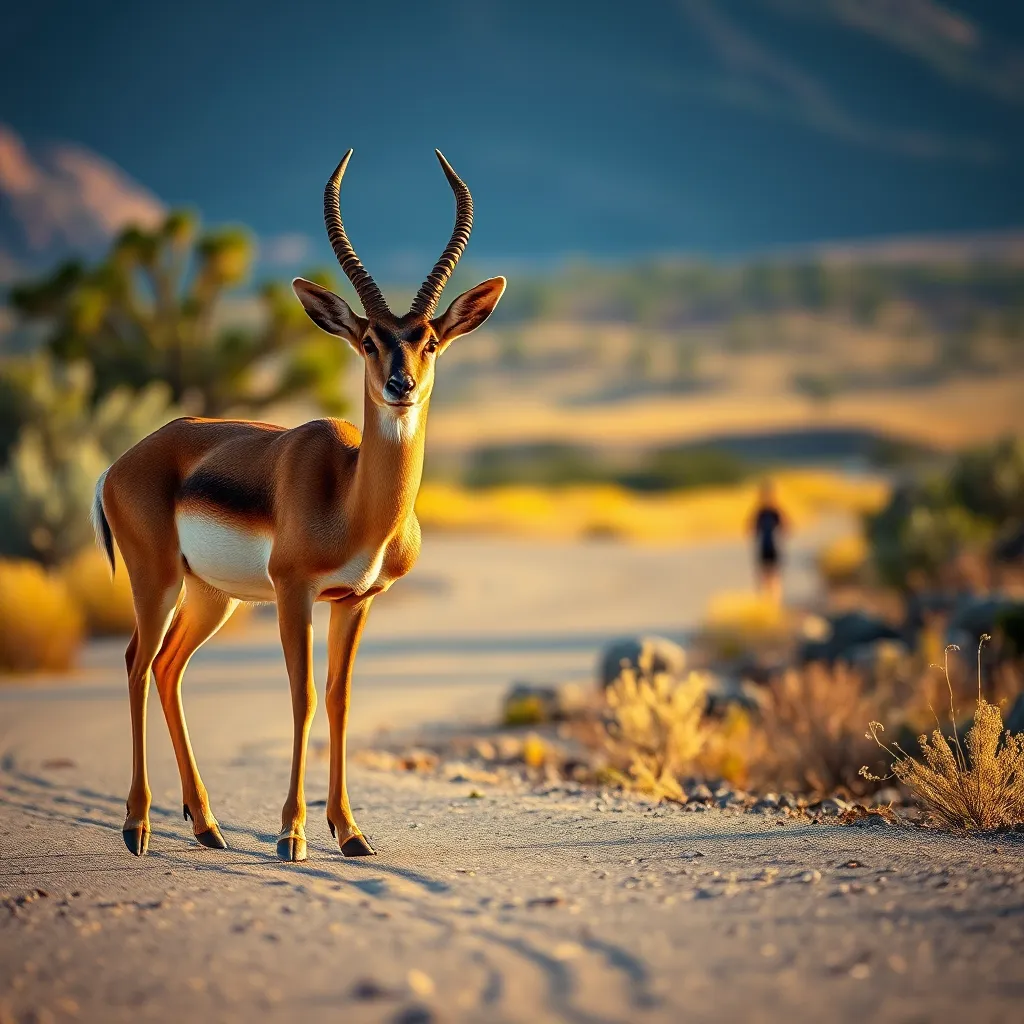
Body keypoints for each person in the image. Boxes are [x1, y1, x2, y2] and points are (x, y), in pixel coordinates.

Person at [750, 479, 787, 602]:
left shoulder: (775, 511)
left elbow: (785, 527)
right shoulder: (759, 512)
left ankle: (775, 600)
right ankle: (765, 600)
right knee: (763, 575)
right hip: (763, 546)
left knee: (774, 574)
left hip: (773, 545)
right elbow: (752, 529)